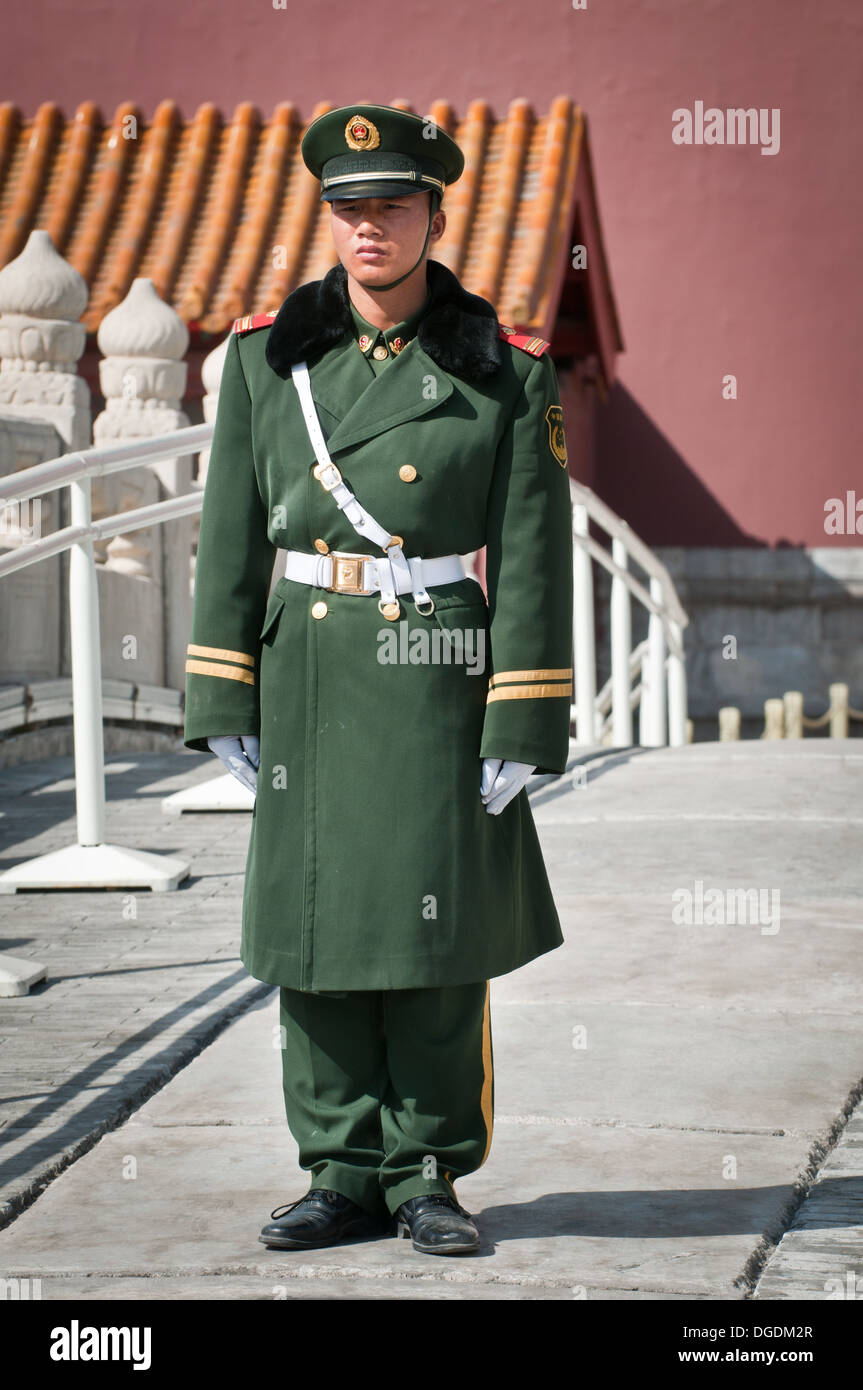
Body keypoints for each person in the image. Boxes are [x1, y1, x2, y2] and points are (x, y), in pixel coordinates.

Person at [183, 104, 574, 1256]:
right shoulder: (266, 361)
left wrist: (525, 709)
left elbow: (536, 551)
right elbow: (230, 538)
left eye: (390, 207)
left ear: (431, 216)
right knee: (318, 928)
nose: (368, 229)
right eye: (349, 210)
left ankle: (426, 1173)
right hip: (308, 664)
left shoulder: (504, 372)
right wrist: (220, 692)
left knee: (433, 932)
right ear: (330, 220)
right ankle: (338, 1168)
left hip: (436, 668)